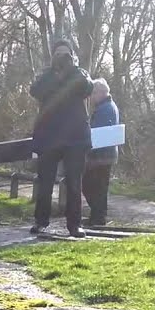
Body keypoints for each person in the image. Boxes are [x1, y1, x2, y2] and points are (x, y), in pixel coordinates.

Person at [29, 39, 94, 237]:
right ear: (52, 57)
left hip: (75, 138)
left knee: (74, 183)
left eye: (66, 54)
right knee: (45, 182)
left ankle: (75, 225)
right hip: (50, 136)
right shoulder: (46, 76)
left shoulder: (79, 74)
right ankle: (41, 221)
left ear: (72, 57)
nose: (63, 58)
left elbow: (87, 88)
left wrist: (70, 69)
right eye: (59, 54)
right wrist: (55, 73)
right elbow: (35, 91)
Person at [83, 78, 120, 226]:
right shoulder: (108, 106)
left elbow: (98, 133)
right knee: (99, 187)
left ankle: (98, 216)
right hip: (106, 154)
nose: (91, 97)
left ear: (101, 93)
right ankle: (97, 216)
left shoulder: (105, 109)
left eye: (93, 93)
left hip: (101, 156)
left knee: (91, 185)